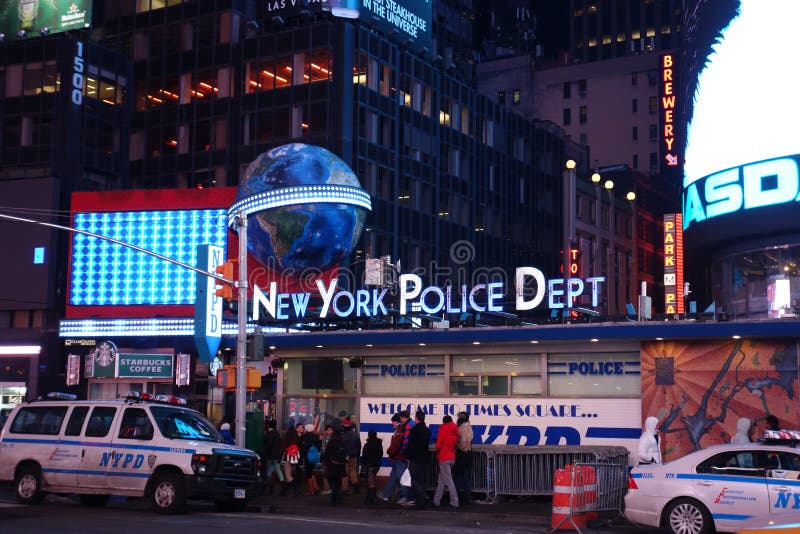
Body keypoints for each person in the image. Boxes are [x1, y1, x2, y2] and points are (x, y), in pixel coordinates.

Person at [379, 413, 410, 503]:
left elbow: (396, 445)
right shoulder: (401, 429)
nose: (391, 423)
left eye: (392, 421)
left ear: (395, 421)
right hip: (399, 457)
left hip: (399, 457)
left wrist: (391, 454)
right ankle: (386, 495)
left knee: (401, 478)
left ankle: (406, 496)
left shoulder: (399, 430)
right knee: (393, 477)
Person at [403, 410, 431, 509]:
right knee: (421, 479)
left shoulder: (414, 430)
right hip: (424, 458)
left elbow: (410, 446)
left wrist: (407, 455)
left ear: (416, 418)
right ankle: (421, 500)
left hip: (414, 458)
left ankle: (420, 496)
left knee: (411, 478)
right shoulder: (427, 430)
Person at [433, 415, 459, 508]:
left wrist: (436, 445)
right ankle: (436, 500)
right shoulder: (455, 430)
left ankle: (455, 501)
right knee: (441, 480)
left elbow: (438, 444)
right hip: (452, 457)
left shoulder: (443, 429)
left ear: (443, 422)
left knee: (448, 480)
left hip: (444, 458)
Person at [321, 424, 347, 506]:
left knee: (333, 484)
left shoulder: (331, 442)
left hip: (332, 466)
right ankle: (338, 498)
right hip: (341, 466)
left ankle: (334, 500)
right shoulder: (342, 442)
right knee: (338, 483)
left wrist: (325, 461)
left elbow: (326, 455)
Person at [454, 411, 474, 505]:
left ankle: (456, 496)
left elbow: (463, 442)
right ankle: (468, 497)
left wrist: (458, 447)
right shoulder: (469, 426)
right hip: (469, 454)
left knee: (458, 477)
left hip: (461, 454)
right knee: (467, 477)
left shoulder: (461, 428)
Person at [360, 428, 383, 505]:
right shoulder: (379, 443)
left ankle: (370, 499)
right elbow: (380, 454)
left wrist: (363, 462)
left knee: (370, 482)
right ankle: (373, 498)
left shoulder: (367, 444)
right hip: (377, 465)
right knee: (372, 480)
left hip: (370, 465)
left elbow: (364, 456)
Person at [263, 419, 284, 493]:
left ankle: (267, 486)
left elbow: (268, 444)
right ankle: (282, 486)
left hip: (270, 455)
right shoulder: (277, 433)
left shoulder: (268, 433)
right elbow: (280, 444)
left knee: (269, 469)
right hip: (277, 455)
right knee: (278, 469)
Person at [341, 415, 361, 494]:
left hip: (344, 456)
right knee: (353, 470)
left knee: (344, 472)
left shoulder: (342, 436)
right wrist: (357, 454)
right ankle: (355, 484)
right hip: (353, 455)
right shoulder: (355, 435)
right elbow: (359, 445)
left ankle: (345, 489)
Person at [302, 423, 322, 496]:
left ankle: (311, 491)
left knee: (308, 474)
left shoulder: (306, 437)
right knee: (311, 472)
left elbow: (304, 448)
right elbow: (319, 447)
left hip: (308, 457)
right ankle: (316, 488)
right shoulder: (316, 437)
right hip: (314, 457)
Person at [282, 425, 301, 496]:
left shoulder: (287, 440)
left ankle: (296, 490)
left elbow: (284, 449)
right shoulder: (296, 439)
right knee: (288, 475)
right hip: (294, 458)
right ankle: (284, 491)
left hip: (288, 458)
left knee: (288, 476)